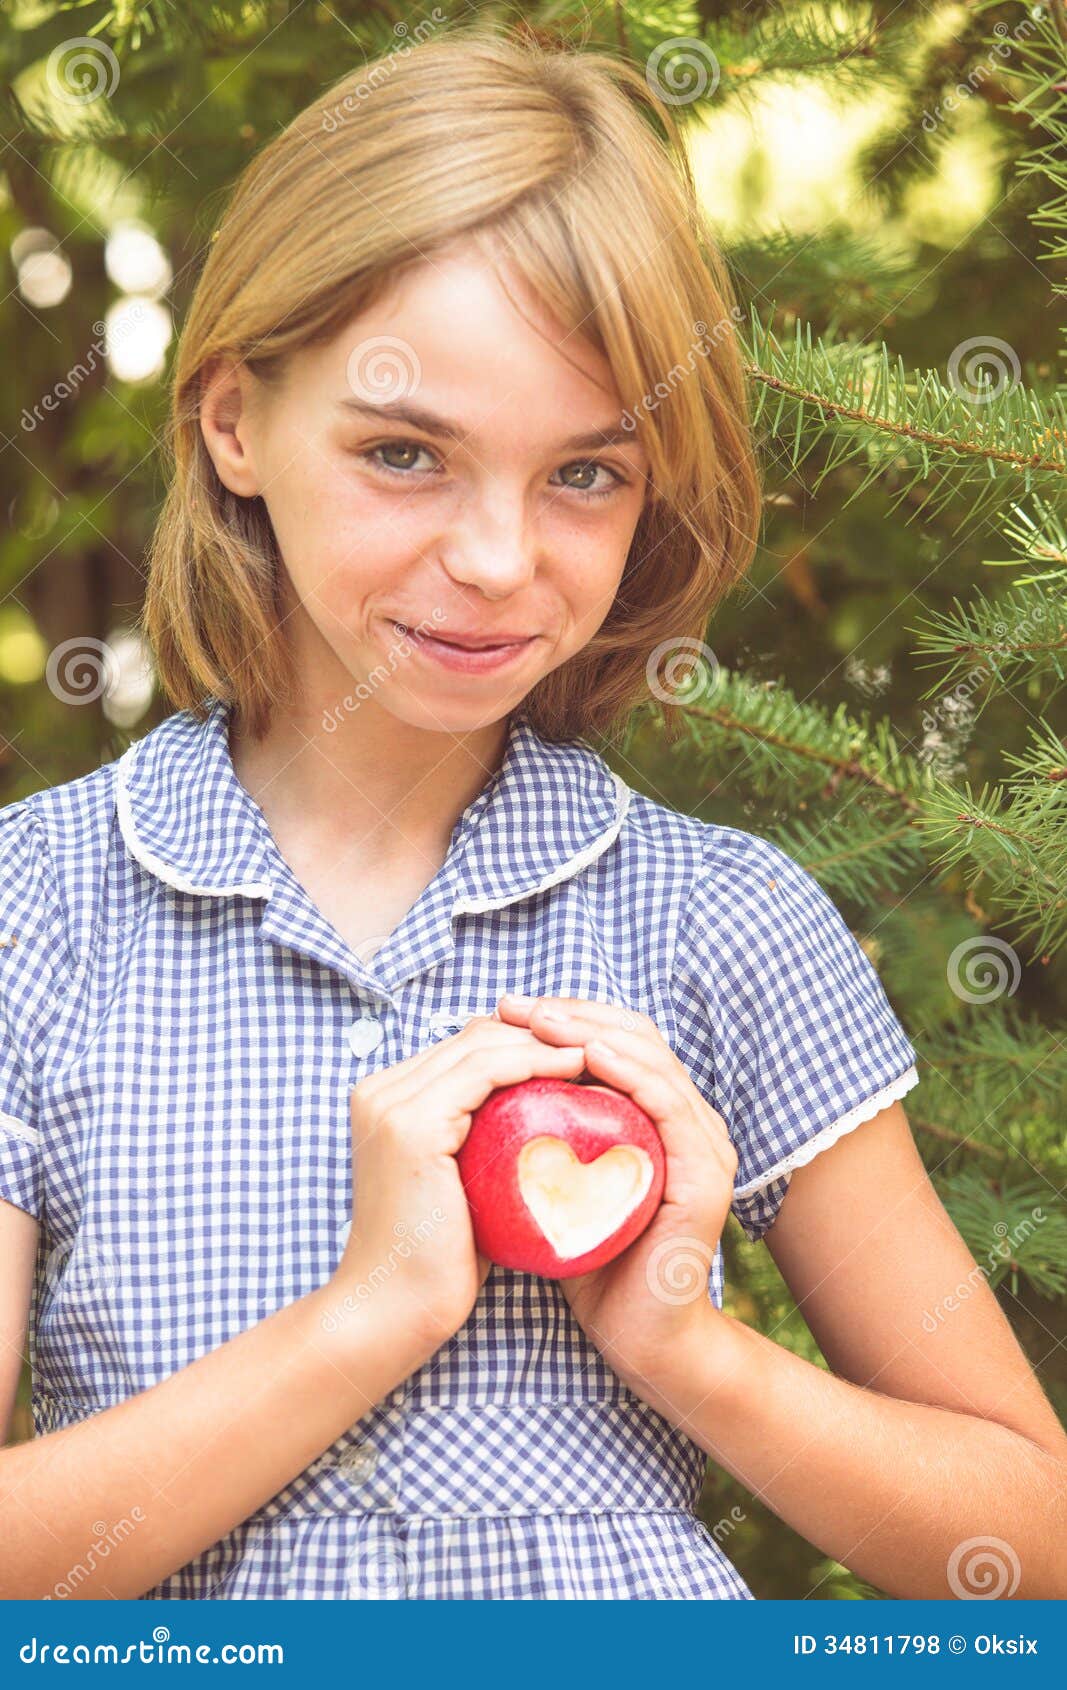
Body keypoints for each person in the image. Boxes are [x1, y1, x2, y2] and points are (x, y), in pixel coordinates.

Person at [1, 25, 1064, 1602]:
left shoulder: (724, 921)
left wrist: (693, 1351)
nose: (498, 559)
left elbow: (1029, 1546)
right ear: (234, 421)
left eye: (585, 475)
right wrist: (367, 1317)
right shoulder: (38, 914)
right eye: (406, 454)